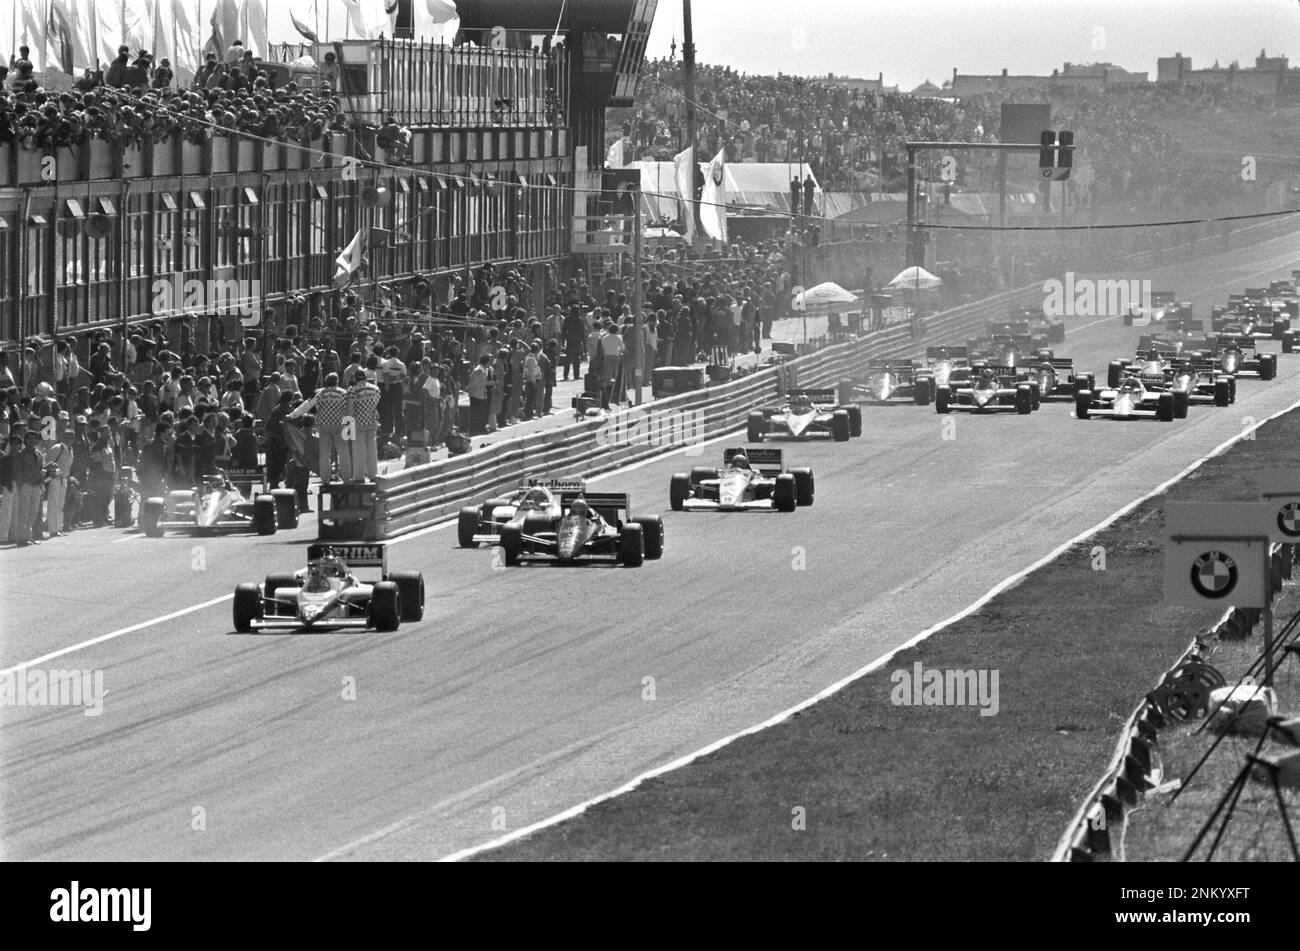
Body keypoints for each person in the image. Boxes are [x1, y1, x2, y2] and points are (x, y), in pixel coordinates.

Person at [290, 372, 349, 482]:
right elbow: (349, 411)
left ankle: (325, 479)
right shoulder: (344, 393)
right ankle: (346, 478)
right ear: (337, 382)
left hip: (323, 426)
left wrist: (292, 415)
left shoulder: (319, 393)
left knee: (324, 454)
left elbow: (306, 405)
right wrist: (351, 431)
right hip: (340, 426)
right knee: (343, 452)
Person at [345, 370, 380, 481]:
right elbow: (376, 403)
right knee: (372, 449)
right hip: (372, 421)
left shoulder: (352, 390)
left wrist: (347, 426)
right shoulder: (375, 388)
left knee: (359, 450)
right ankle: (373, 475)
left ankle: (359, 476)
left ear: (355, 378)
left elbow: (350, 409)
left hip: (358, 422)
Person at [43, 427, 74, 536]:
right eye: (67, 437)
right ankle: (52, 529)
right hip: (54, 478)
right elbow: (47, 463)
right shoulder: (57, 448)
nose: (70, 439)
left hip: (64, 478)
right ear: (63, 437)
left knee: (60, 505)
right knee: (53, 504)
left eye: (71, 437)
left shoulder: (70, 450)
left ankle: (58, 528)